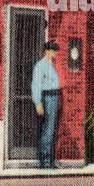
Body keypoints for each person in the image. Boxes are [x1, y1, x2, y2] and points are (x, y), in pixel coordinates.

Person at [31, 40, 62, 169]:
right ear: (47, 51)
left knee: (50, 129)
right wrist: (37, 102)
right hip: (47, 97)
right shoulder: (40, 66)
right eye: (53, 51)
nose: (55, 54)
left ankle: (49, 160)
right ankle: (45, 161)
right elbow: (36, 84)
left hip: (54, 96)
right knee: (47, 130)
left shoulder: (51, 65)